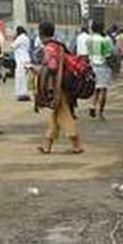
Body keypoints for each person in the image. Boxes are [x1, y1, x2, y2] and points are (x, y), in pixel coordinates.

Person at [35, 21, 82, 155]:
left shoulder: (49, 48)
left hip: (56, 86)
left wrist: (38, 69)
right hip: (64, 84)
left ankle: (76, 143)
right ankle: (47, 144)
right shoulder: (58, 45)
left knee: (63, 114)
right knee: (55, 115)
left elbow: (53, 66)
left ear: (41, 34)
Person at [87, 20, 112, 119]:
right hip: (103, 66)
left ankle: (92, 105)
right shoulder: (105, 40)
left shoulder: (89, 40)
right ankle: (101, 113)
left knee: (95, 89)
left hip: (92, 65)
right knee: (103, 90)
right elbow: (107, 55)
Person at [11, 25, 31, 101]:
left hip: (21, 61)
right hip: (26, 59)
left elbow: (12, 46)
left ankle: (21, 94)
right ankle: (25, 93)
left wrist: (14, 38)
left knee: (20, 78)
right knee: (26, 78)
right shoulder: (26, 38)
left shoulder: (20, 38)